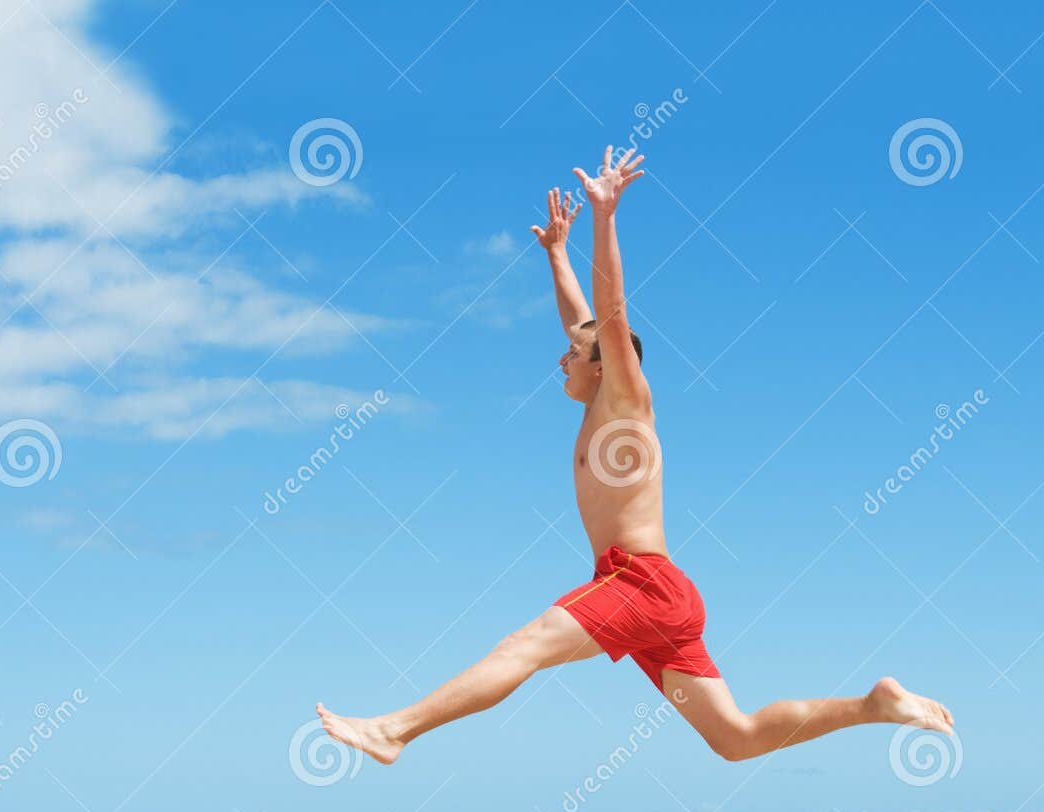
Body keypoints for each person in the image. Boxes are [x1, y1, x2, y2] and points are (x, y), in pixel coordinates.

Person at [317, 147, 952, 767]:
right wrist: (557, 254)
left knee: (527, 645)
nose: (561, 358)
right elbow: (584, 321)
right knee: (735, 738)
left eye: (575, 355)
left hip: (639, 584)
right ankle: (873, 706)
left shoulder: (626, 399)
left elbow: (608, 313)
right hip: (653, 596)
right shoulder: (600, 398)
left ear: (606, 365)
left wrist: (604, 215)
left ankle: (395, 730)